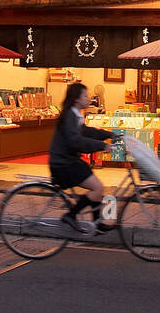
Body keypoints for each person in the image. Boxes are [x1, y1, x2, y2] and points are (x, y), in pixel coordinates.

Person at [48, 82, 117, 233]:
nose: (89, 98)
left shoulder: (75, 114)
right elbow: (76, 141)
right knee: (97, 188)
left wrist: (109, 134)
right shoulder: (69, 117)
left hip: (68, 161)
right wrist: (102, 146)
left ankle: (96, 223)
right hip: (63, 164)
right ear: (76, 99)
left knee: (97, 187)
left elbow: (87, 132)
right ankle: (71, 215)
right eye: (85, 95)